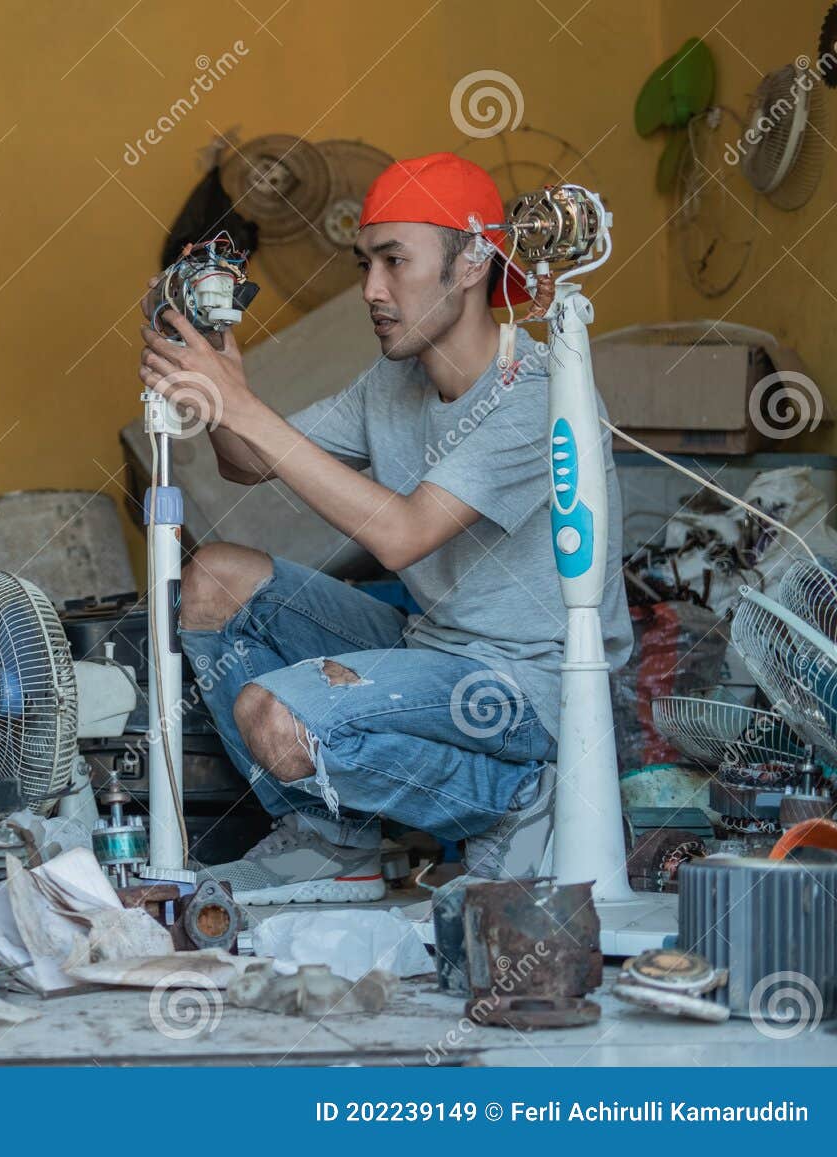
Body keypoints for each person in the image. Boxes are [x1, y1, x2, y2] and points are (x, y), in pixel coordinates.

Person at [136, 152, 630, 904]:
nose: (371, 288)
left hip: (525, 687)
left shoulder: (536, 391)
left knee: (279, 718)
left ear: (472, 263)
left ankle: (520, 798)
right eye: (365, 263)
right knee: (213, 580)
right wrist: (218, 388)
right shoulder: (393, 383)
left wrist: (244, 408)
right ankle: (332, 841)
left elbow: (403, 534)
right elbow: (246, 462)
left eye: (395, 261)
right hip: (432, 649)